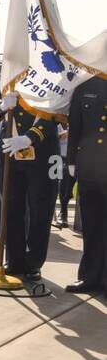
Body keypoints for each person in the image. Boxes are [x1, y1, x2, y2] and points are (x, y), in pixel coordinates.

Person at [0, 80, 58, 282]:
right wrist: (1, 105)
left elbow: (57, 108)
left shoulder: (53, 73)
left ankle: (33, 263)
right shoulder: (11, 71)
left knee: (40, 210)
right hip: (9, 150)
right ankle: (14, 260)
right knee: (10, 208)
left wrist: (30, 137)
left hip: (43, 151)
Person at [65, 74, 107, 293]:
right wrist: (71, 159)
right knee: (91, 224)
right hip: (90, 164)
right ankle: (89, 277)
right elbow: (75, 125)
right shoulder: (85, 86)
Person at [55, 123, 74, 229]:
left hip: (74, 158)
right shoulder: (55, 122)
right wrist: (62, 135)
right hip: (57, 158)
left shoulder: (77, 121)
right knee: (64, 178)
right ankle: (63, 212)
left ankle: (64, 209)